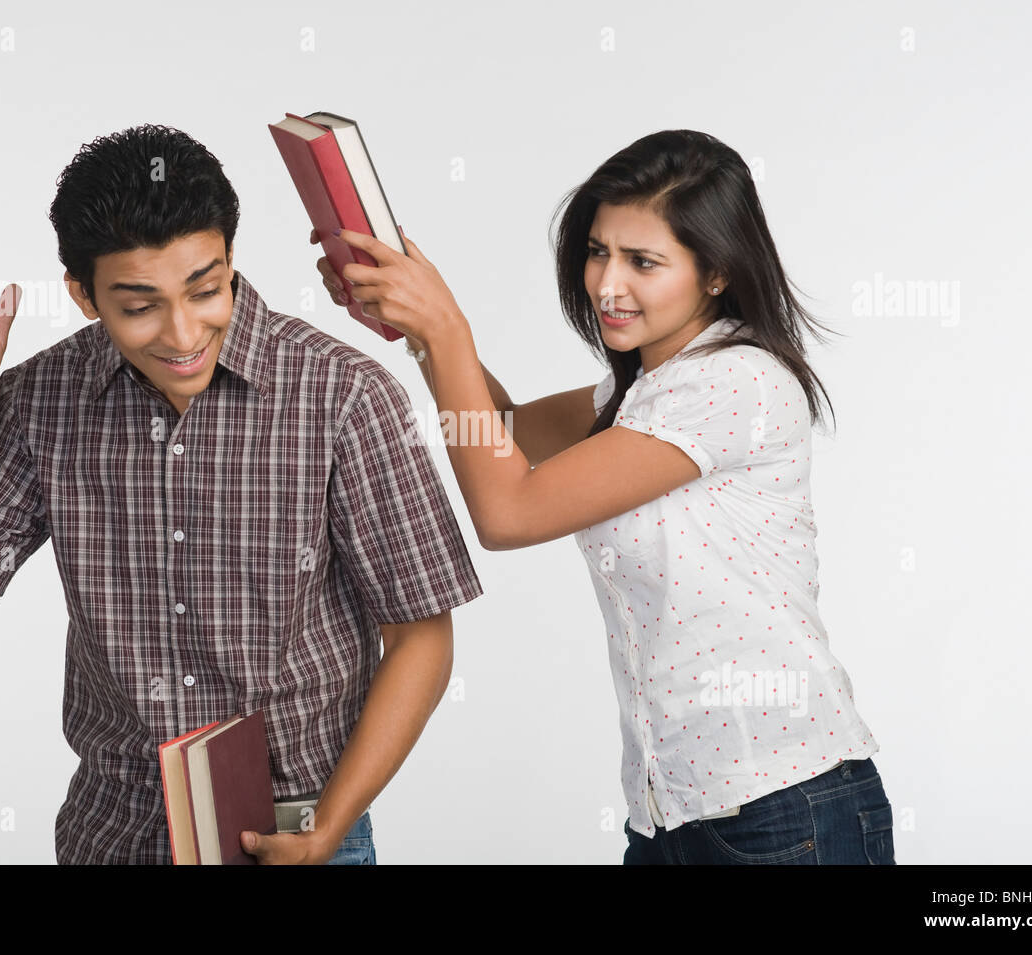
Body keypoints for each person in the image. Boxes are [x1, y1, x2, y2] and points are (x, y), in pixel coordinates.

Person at [0, 123, 483, 865]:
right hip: (110, 837)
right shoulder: (43, 398)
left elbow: (421, 638)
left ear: (231, 258)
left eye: (206, 289)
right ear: (82, 294)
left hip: (299, 835)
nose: (182, 333)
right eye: (139, 305)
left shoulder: (345, 396)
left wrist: (327, 828)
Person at [314, 129, 895, 865]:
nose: (607, 285)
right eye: (598, 251)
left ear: (716, 271)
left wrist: (445, 325)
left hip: (783, 806)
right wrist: (418, 331)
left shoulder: (732, 381)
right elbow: (502, 435)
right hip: (670, 812)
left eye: (642, 262)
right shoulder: (642, 391)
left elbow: (509, 510)